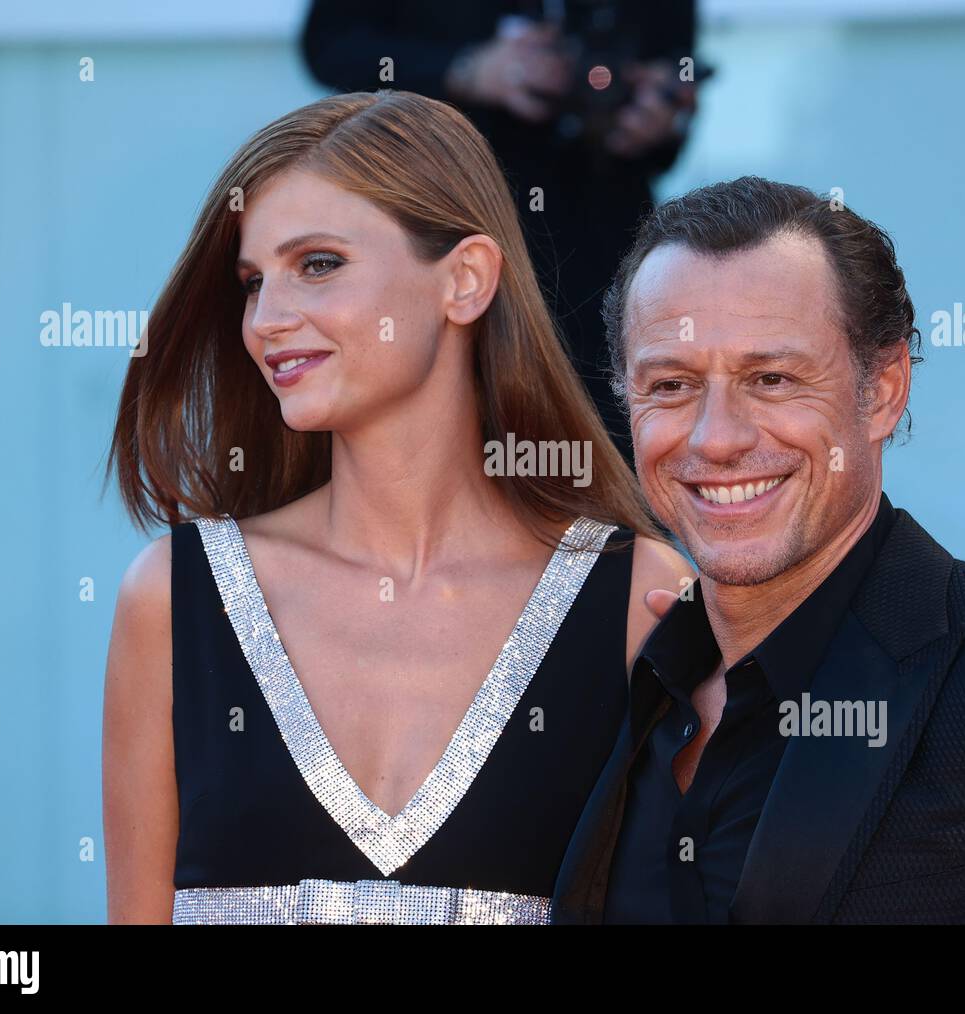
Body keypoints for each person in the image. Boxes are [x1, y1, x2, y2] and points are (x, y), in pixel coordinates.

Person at [101, 90, 694, 924]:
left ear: (465, 280)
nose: (268, 320)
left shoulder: (635, 600)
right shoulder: (172, 600)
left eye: (318, 264)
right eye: (251, 282)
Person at [553, 175, 965, 924]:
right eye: (672, 384)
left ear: (883, 390)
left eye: (772, 378)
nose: (716, 438)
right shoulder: (632, 686)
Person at [299, 0, 701, 464]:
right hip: (446, 224)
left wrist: (657, 116)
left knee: (613, 458)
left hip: (602, 243)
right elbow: (329, 44)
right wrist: (466, 69)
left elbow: (675, 70)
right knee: (453, 449)